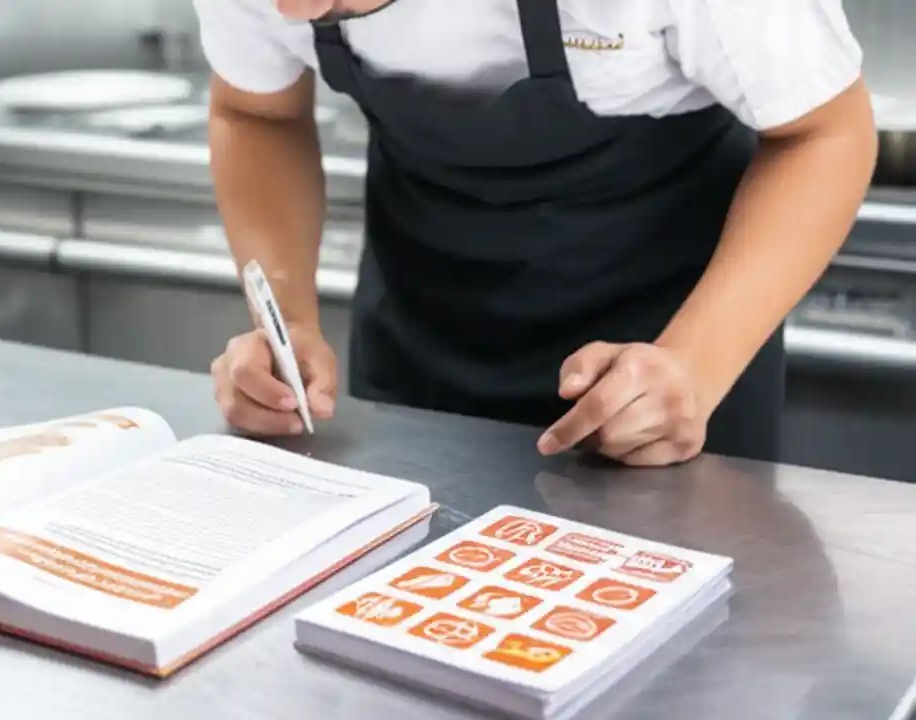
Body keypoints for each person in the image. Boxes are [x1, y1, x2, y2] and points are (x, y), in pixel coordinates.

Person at [197, 0, 877, 465]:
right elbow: (256, 112)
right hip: (418, 353)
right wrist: (285, 326)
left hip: (663, 363)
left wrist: (695, 366)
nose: (282, 9)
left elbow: (824, 132)